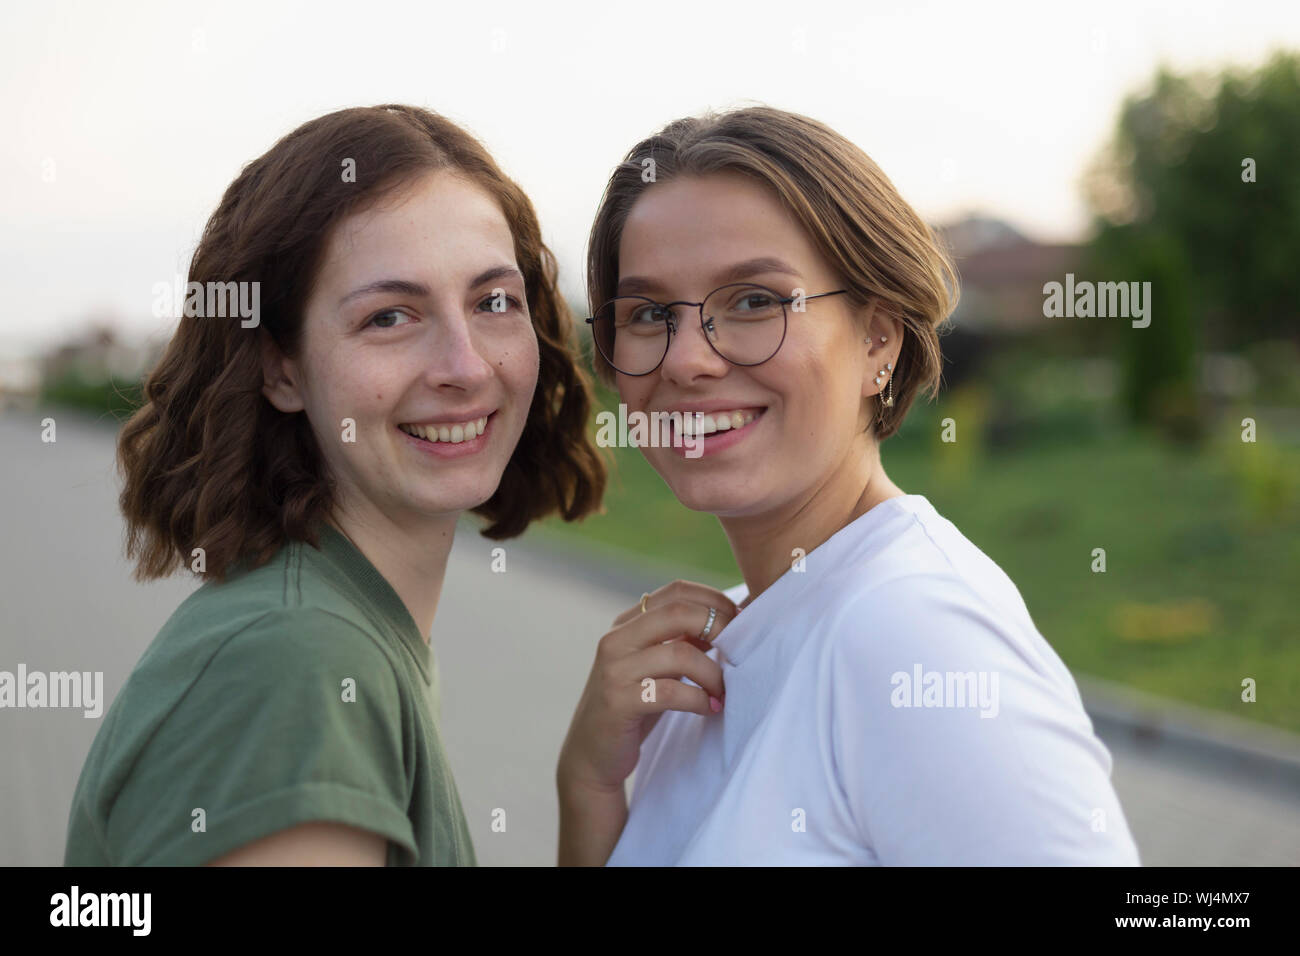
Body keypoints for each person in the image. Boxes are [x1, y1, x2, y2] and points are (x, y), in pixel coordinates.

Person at [557, 105, 1140, 865]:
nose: (688, 359)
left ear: (878, 339)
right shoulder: (714, 646)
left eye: (756, 301)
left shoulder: (913, 632)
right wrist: (589, 789)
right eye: (649, 312)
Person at [64, 104, 604, 866]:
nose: (467, 364)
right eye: (389, 316)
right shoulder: (297, 664)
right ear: (280, 368)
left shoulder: (343, 631)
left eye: (492, 302)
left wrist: (590, 796)